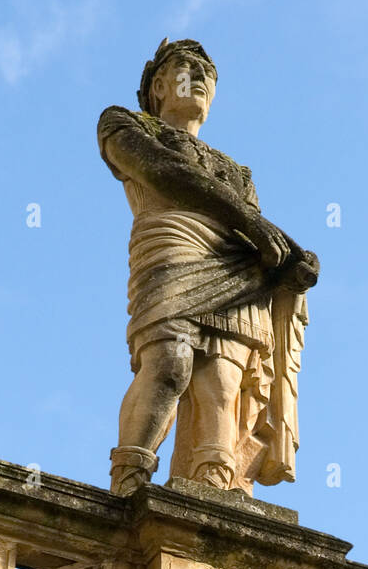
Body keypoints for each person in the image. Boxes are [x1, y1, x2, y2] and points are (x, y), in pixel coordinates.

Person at [98, 38, 319, 497]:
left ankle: (216, 486)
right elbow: (165, 173)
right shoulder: (124, 123)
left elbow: (259, 239)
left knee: (223, 382)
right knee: (169, 363)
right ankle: (129, 479)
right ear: (159, 84)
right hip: (174, 250)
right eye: (186, 67)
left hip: (238, 272)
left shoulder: (237, 172)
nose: (198, 77)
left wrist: (291, 264)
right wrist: (255, 226)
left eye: (207, 74)